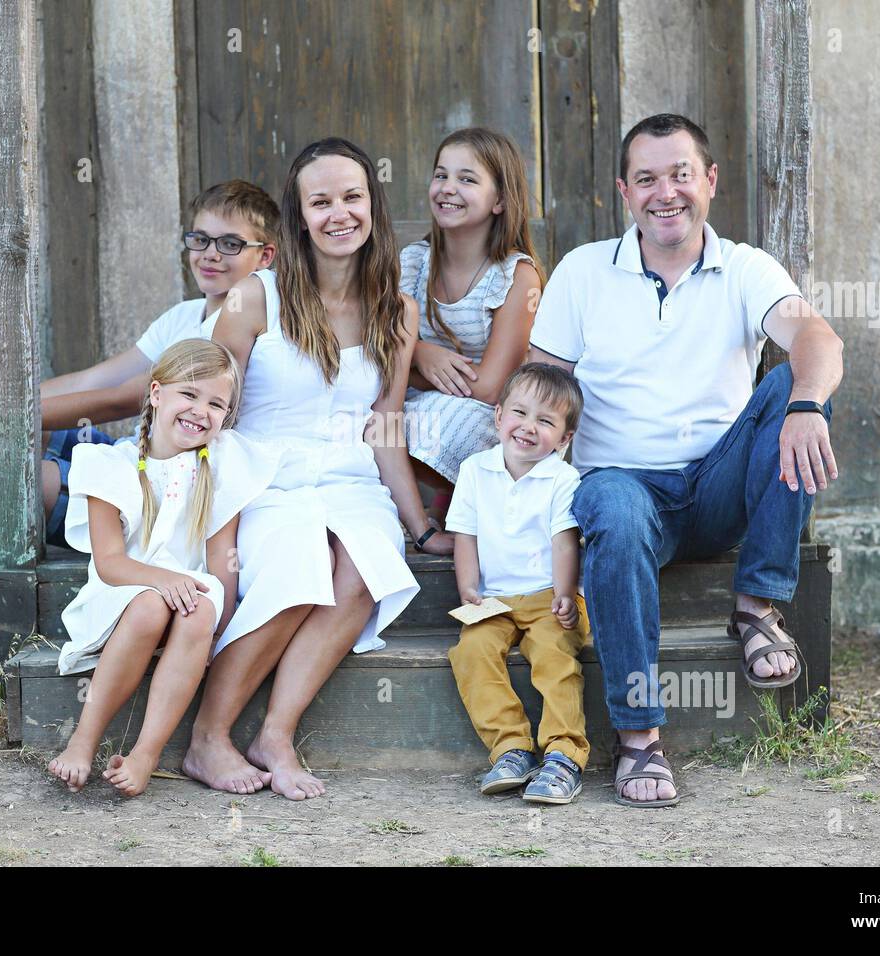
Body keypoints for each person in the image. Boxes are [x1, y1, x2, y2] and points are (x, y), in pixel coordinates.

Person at [0, 181, 278, 728]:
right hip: (133, 456)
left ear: (264, 257)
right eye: (200, 239)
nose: (210, 253)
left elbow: (121, 399)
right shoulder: (182, 317)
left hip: (160, 484)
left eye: (230, 244)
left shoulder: (242, 317)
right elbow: (94, 378)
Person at [528, 113, 844, 807]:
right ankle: (639, 740)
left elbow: (816, 336)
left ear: (709, 181)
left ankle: (757, 604)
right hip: (623, 488)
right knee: (609, 501)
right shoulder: (582, 272)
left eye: (679, 175)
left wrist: (806, 404)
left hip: (719, 484)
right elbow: (541, 388)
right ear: (624, 191)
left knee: (798, 383)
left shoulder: (745, 267)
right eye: (646, 178)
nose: (664, 192)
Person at [184, 137, 455, 800]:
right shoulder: (254, 300)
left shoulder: (398, 311)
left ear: (373, 206)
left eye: (353, 197)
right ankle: (206, 739)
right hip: (264, 473)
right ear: (298, 216)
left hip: (350, 476)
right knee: (300, 570)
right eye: (322, 200)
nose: (340, 213)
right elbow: (209, 408)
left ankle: (275, 733)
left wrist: (419, 527)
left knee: (364, 564)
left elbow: (385, 426)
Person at [47, 339, 278, 795]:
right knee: (152, 606)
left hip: (190, 594)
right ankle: (83, 740)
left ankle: (145, 754)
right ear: (156, 394)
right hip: (122, 590)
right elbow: (111, 563)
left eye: (216, 404)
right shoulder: (108, 465)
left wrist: (219, 627)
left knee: (201, 603)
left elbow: (222, 562)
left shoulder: (224, 464)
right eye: (188, 394)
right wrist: (164, 580)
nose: (200, 411)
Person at [446, 363, 591, 805]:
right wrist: (469, 587)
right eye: (520, 413)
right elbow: (464, 534)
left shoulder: (562, 479)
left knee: (554, 656)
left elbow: (564, 542)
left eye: (545, 422)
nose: (528, 428)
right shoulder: (474, 470)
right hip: (494, 600)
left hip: (550, 596)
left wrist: (566, 594)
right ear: (498, 415)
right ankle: (510, 748)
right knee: (471, 651)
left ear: (564, 439)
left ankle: (564, 754)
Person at [400, 127, 544, 525]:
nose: (447, 188)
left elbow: (489, 387)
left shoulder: (515, 277)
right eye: (441, 175)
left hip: (483, 411)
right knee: (365, 415)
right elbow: (379, 354)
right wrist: (421, 353)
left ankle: (456, 496)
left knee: (454, 425)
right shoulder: (411, 263)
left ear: (499, 199)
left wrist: (412, 373)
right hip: (409, 398)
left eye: (466, 179)